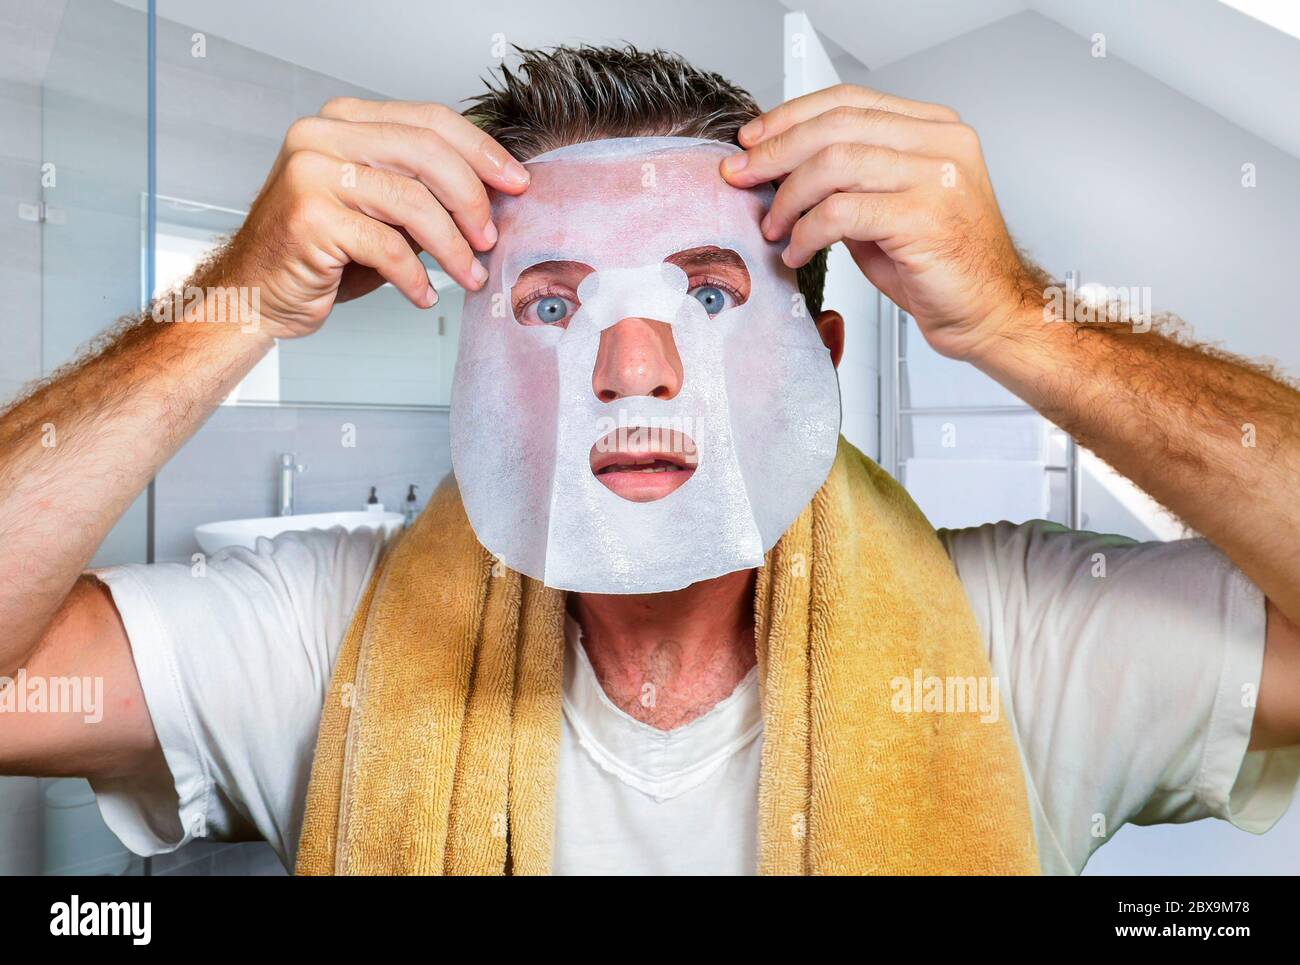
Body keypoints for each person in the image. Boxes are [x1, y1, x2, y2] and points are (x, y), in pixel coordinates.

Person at [1, 45, 1297, 875]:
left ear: (825, 355)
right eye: (553, 307)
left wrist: (1022, 321)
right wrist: (237, 303)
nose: (633, 367)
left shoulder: (1014, 642)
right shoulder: (316, 641)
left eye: (712, 297)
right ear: (469, 370)